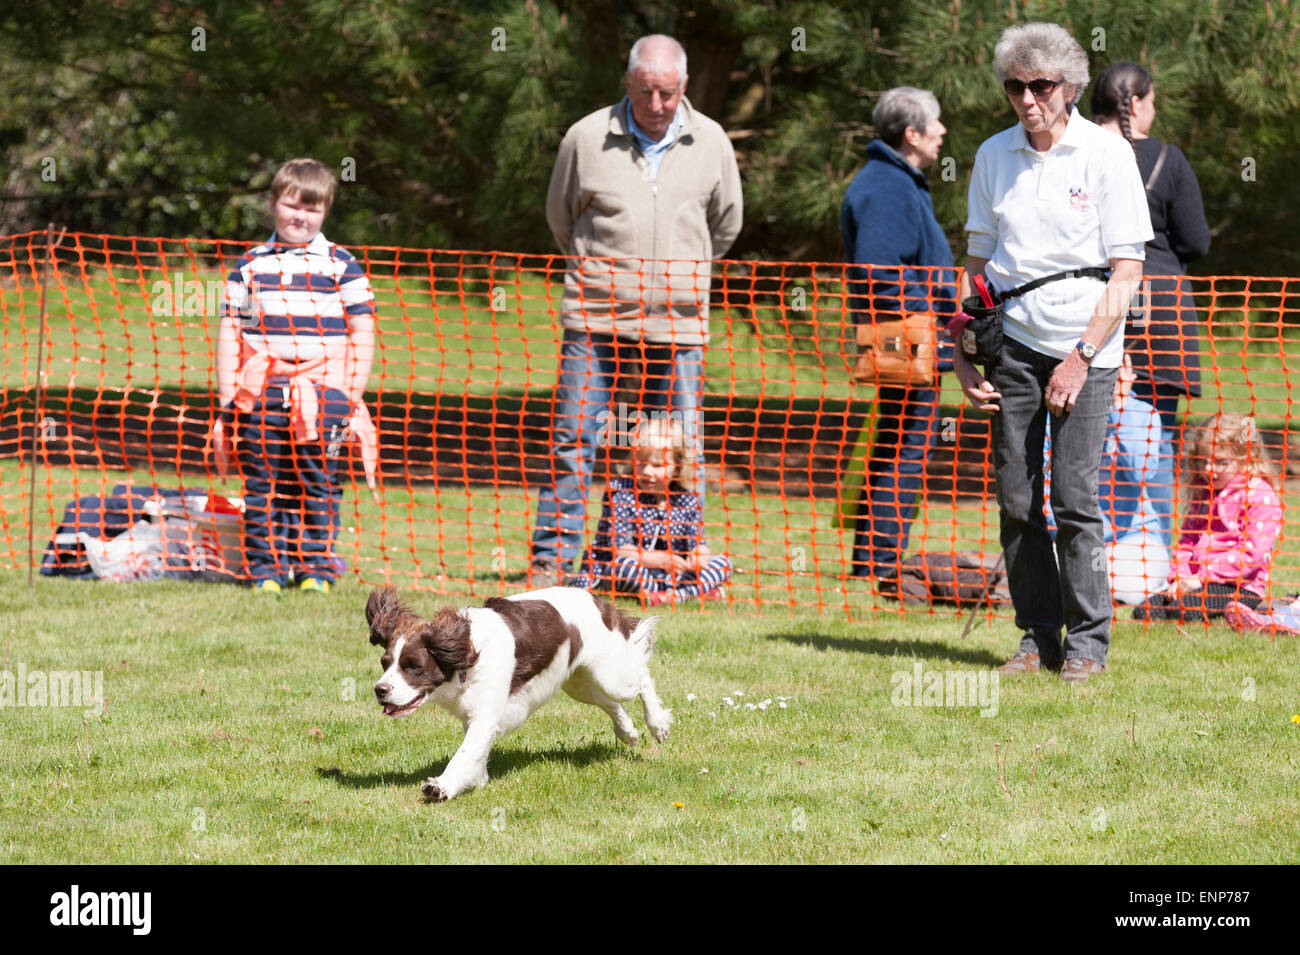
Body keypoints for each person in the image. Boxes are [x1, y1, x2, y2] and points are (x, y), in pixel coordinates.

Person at [955, 22, 1153, 684]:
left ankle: (1088, 641)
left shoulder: (1106, 155)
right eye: (1015, 85)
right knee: (1016, 495)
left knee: (1074, 497)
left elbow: (1127, 270)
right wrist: (961, 350)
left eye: (1040, 85)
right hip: (1012, 343)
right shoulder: (992, 155)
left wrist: (1081, 356)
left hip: (1087, 348)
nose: (1027, 98)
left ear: (1067, 86)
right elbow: (978, 263)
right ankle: (1037, 635)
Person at [528, 34, 744, 588]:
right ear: (627, 83)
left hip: (680, 323)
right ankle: (554, 557)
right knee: (577, 437)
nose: (655, 105)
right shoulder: (585, 137)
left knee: (678, 442)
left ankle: (678, 557)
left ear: (684, 89)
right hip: (596, 319)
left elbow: (725, 227)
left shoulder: (713, 141)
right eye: (645, 91)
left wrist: (677, 276)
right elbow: (561, 218)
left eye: (666, 94)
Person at [214, 158, 377, 594]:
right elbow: (231, 332)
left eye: (312, 208)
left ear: (325, 211)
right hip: (260, 392)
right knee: (264, 482)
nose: (300, 216)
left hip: (325, 395)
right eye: (291, 205)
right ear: (272, 204)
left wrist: (348, 394)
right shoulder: (249, 266)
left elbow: (362, 331)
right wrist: (230, 401)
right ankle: (266, 570)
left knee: (318, 480)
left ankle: (315, 570)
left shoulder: (342, 265)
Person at [840, 86, 958, 579]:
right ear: (911, 134)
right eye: (935, 124)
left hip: (905, 335)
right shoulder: (888, 185)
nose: (943, 131)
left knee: (895, 444)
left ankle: (873, 560)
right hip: (906, 339)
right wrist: (926, 317)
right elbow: (878, 268)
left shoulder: (896, 179)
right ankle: (881, 563)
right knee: (904, 448)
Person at [1091, 62, 1211, 436]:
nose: (1155, 111)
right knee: (1149, 441)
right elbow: (1195, 241)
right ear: (1137, 103)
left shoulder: (1073, 152)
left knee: (1081, 438)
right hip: (1158, 306)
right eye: (1154, 101)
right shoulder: (1167, 159)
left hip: (1086, 300)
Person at [1046, 356, 1173, 605]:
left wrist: (1120, 406)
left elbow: (1142, 473)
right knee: (1042, 581)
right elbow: (1044, 477)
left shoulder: (1144, 414)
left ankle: (1151, 582)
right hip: (1075, 535)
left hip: (1131, 538)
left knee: (1123, 588)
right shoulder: (1060, 411)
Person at [566, 417, 733, 605]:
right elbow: (621, 550)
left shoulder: (686, 499)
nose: (646, 471)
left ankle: (671, 597)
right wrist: (660, 560)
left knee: (723, 564)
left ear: (676, 469)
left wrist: (699, 554)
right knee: (624, 568)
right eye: (641, 463)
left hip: (673, 574)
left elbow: (698, 543)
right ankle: (694, 592)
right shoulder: (620, 492)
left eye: (657, 466)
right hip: (629, 568)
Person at [1134, 414, 1282, 623]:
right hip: (1195, 581)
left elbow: (1252, 556)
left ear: (1247, 457)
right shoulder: (1204, 493)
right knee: (1144, 612)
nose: (1209, 470)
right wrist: (1180, 577)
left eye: (1220, 462)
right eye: (1203, 461)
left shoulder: (1260, 496)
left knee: (1183, 611)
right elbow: (1187, 541)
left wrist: (1201, 576)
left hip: (1238, 587)